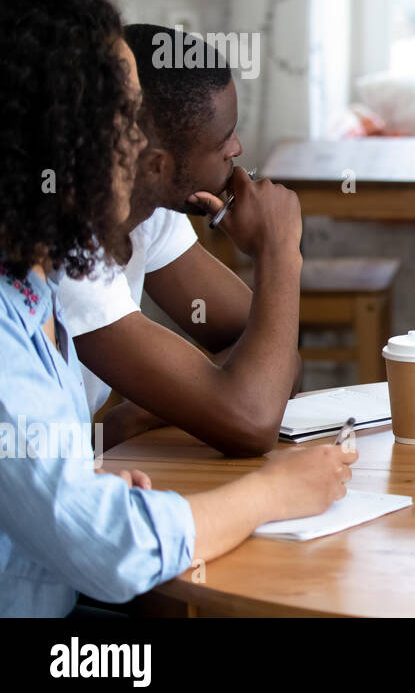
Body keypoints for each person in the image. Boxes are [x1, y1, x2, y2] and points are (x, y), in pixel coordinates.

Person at [0, 0, 354, 617]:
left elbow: (257, 358)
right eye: (125, 120)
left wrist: (79, 480)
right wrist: (271, 494)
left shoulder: (29, 284)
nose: (138, 146)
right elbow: (113, 550)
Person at [57, 24, 303, 456]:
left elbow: (275, 359)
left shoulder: (147, 209)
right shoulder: (69, 252)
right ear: (156, 167)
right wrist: (279, 253)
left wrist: (136, 415)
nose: (238, 149)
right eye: (223, 139)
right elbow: (252, 419)